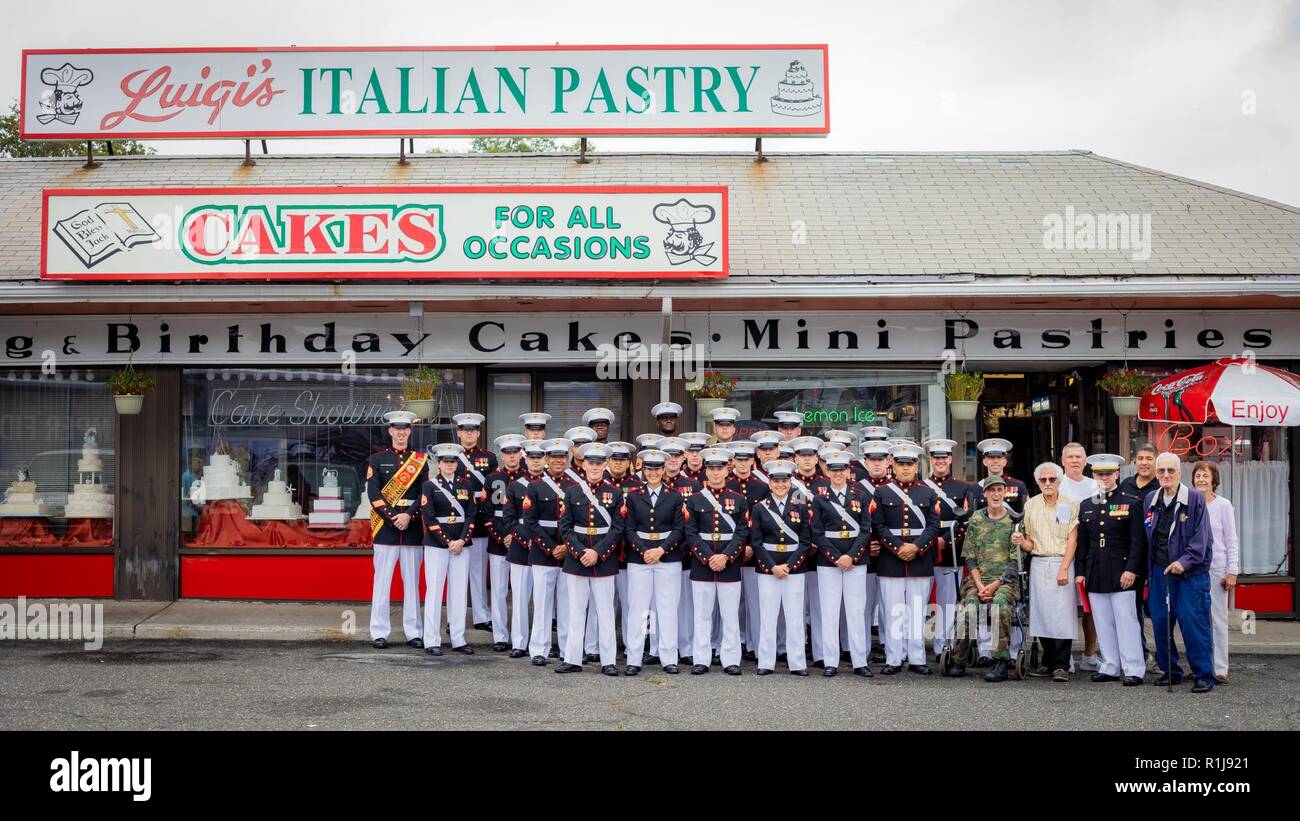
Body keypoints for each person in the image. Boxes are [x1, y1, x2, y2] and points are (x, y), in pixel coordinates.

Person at [1144, 452, 1216, 692]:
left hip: (1189, 575)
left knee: (1194, 624)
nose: (1166, 475)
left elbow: (1202, 540)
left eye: (1170, 471)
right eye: (1161, 470)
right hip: (1159, 573)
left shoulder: (1194, 499)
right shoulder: (1151, 500)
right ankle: (1171, 671)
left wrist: (1183, 562)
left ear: (1179, 473)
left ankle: (1204, 674)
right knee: (1161, 624)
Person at [1074, 454, 1147, 686]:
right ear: (1093, 475)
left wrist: (1132, 570)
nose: (1103, 478)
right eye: (1099, 474)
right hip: (1096, 568)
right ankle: (1110, 665)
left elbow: (1138, 541)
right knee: (1103, 621)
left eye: (1108, 473)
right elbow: (1083, 543)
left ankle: (1134, 668)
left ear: (1117, 474)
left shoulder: (1131, 501)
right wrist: (1081, 571)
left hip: (1121, 569)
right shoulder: (1086, 505)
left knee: (1126, 620)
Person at [870, 442, 941, 675]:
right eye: (901, 464)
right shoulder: (881, 492)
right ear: (894, 465)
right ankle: (894, 657)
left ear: (916, 466)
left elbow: (933, 526)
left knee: (917, 611)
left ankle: (917, 657)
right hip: (891, 559)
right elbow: (878, 526)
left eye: (910, 464)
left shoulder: (929, 493)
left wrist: (917, 547)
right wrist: (898, 547)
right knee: (892, 611)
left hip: (919, 560)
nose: (906, 468)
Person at [555, 443, 625, 676]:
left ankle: (608, 661)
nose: (594, 467)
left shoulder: (615, 493)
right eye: (590, 463)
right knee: (575, 611)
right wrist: (580, 552)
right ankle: (573, 658)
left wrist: (598, 552)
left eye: (599, 463)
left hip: (603, 559)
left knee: (605, 612)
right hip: (577, 559)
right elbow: (565, 527)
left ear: (605, 465)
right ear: (583, 464)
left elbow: (617, 528)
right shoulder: (572, 492)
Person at [683, 447, 749, 675]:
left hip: (729, 564)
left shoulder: (738, 500)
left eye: (719, 468)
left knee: (730, 616)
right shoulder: (694, 500)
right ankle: (701, 658)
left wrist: (726, 557)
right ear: (705, 471)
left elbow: (741, 533)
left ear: (727, 470)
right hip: (703, 564)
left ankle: (731, 659)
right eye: (711, 468)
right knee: (701, 615)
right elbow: (690, 533)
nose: (715, 472)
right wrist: (708, 557)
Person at [366, 409, 427, 650]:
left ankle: (413, 632)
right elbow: (374, 494)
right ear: (390, 431)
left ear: (410, 431)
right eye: (397, 429)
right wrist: (394, 517)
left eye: (405, 429)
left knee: (412, 584)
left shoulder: (420, 460)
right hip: (386, 529)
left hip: (411, 529)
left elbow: (425, 492)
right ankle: (379, 632)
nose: (401, 433)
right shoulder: (377, 459)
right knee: (381, 583)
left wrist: (409, 515)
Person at [811, 447, 873, 677]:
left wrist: (851, 556)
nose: (838, 474)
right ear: (827, 471)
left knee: (856, 610)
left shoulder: (861, 495)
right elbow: (817, 532)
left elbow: (866, 529)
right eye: (833, 469)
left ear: (849, 471)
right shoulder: (819, 498)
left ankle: (859, 661)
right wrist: (837, 557)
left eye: (842, 469)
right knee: (829, 611)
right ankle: (830, 662)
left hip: (855, 559)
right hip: (829, 561)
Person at [951, 476, 1020, 682]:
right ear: (985, 494)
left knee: (1000, 605)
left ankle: (1000, 661)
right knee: (970, 605)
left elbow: (1016, 562)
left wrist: (995, 585)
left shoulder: (1014, 521)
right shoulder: (976, 520)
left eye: (1000, 490)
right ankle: (959, 658)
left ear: (1005, 492)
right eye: (992, 491)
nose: (996, 494)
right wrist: (981, 584)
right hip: (977, 580)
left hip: (1005, 582)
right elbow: (970, 558)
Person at [622, 449, 685, 675]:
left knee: (667, 608)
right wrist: (643, 551)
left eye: (657, 469)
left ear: (663, 470)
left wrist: (660, 550)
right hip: (640, 558)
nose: (653, 473)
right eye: (649, 469)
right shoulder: (634, 496)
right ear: (643, 470)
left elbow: (679, 529)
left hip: (667, 558)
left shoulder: (675, 496)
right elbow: (628, 529)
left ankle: (669, 657)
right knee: (638, 609)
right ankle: (634, 658)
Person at [1016, 462, 1079, 682]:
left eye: (1052, 479)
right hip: (1039, 562)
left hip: (1062, 561)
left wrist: (1064, 568)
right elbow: (1030, 544)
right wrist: (1020, 541)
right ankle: (1048, 661)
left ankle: (1061, 665)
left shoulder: (1070, 505)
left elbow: (1073, 540)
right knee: (1041, 613)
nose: (1048, 483)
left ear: (1059, 481)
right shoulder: (1030, 506)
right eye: (1043, 480)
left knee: (1062, 615)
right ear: (1037, 482)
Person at [749, 459, 813, 675]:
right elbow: (756, 542)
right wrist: (773, 567)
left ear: (790, 482)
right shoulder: (759, 508)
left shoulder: (801, 506)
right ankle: (766, 662)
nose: (780, 485)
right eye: (776, 481)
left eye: (784, 480)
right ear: (769, 482)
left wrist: (789, 565)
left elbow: (805, 541)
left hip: (793, 568)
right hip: (768, 569)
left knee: (795, 617)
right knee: (768, 616)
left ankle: (798, 663)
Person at [522, 437, 576, 665]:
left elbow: (578, 521)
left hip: (569, 553)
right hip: (544, 552)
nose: (558, 461)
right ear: (546, 459)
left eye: (562, 457)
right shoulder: (534, 486)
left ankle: (566, 649)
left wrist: (566, 548)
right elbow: (530, 522)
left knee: (567, 604)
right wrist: (552, 547)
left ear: (567, 459)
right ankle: (539, 650)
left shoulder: (576, 486)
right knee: (542, 603)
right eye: (553, 457)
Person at [419, 443, 477, 656]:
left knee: (459, 592)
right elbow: (429, 516)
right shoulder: (430, 486)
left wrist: (461, 540)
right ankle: (431, 640)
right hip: (437, 545)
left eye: (453, 461)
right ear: (439, 463)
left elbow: (471, 514)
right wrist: (447, 541)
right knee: (434, 591)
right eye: (445, 461)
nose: (449, 464)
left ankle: (458, 639)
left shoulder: (466, 485)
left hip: (461, 544)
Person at [922, 437, 974, 661]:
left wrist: (946, 539)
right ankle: (913, 647)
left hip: (950, 550)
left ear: (951, 459)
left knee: (947, 601)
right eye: (936, 457)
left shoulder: (963, 488)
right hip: (924, 550)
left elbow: (966, 520)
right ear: (930, 460)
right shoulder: (921, 486)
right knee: (920, 601)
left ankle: (943, 645)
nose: (940, 461)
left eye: (944, 457)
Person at [1192, 461, 1238, 684]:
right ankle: (1201, 664)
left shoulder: (1223, 505)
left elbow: (1231, 539)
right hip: (1193, 570)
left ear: (1214, 480)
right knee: (1197, 620)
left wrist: (1233, 571)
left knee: (1217, 620)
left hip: (1217, 569)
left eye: (1205, 476)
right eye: (1198, 475)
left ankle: (1220, 667)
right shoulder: (1189, 504)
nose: (1201, 479)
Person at [452, 412, 498, 633]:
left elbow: (494, 491)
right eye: (464, 430)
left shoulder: (489, 458)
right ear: (458, 433)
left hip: (480, 522)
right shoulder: (450, 456)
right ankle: (455, 618)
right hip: (457, 523)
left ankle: (481, 616)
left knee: (478, 573)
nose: (469, 433)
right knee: (456, 576)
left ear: (478, 433)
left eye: (473, 430)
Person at [1059, 442, 1103, 673]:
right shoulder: (1057, 485)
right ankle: (1064, 657)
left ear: (1085, 461)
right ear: (1063, 461)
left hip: (1090, 554)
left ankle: (1089, 655)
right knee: (1065, 607)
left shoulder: (1096, 486)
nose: (1075, 460)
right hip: (1064, 554)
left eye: (1079, 457)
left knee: (1090, 608)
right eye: (1071, 457)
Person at [502, 439, 546, 657]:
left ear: (544, 459)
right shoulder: (515, 485)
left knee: (543, 600)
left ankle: (541, 643)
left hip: (544, 547)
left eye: (539, 458)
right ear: (525, 458)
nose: (536, 461)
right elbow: (509, 519)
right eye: (532, 458)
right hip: (521, 547)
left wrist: (540, 541)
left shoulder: (553, 484)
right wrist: (523, 539)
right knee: (519, 598)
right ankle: (519, 643)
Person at [727, 441, 769, 661]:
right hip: (729, 552)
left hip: (753, 554)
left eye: (746, 459)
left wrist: (752, 546)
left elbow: (763, 521)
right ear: (733, 461)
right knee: (731, 604)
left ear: (753, 461)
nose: (743, 464)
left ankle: (754, 645)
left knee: (755, 603)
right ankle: (733, 643)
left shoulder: (762, 487)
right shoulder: (726, 485)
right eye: (739, 460)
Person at [1119, 443, 1159, 671]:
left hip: (1155, 559)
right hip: (1131, 559)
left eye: (1149, 458)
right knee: (1133, 612)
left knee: (1159, 613)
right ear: (1135, 462)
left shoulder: (1161, 485)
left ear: (1155, 462)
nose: (1144, 462)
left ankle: (1164, 658)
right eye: (1140, 458)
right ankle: (1141, 655)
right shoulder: (1126, 485)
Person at [483, 434, 525, 652]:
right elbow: (487, 513)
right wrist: (503, 537)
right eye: (507, 452)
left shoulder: (530, 478)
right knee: (499, 591)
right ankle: (500, 636)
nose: (511, 456)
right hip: (499, 542)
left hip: (522, 542)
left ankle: (521, 639)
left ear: (521, 453)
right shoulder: (492, 479)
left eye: (515, 451)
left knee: (521, 593)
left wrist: (516, 537)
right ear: (501, 454)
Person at [975, 438, 1030, 515]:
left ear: (1005, 461)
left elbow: (1026, 514)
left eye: (999, 457)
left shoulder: (1019, 486)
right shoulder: (975, 488)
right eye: (991, 457)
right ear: (984, 462)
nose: (995, 461)